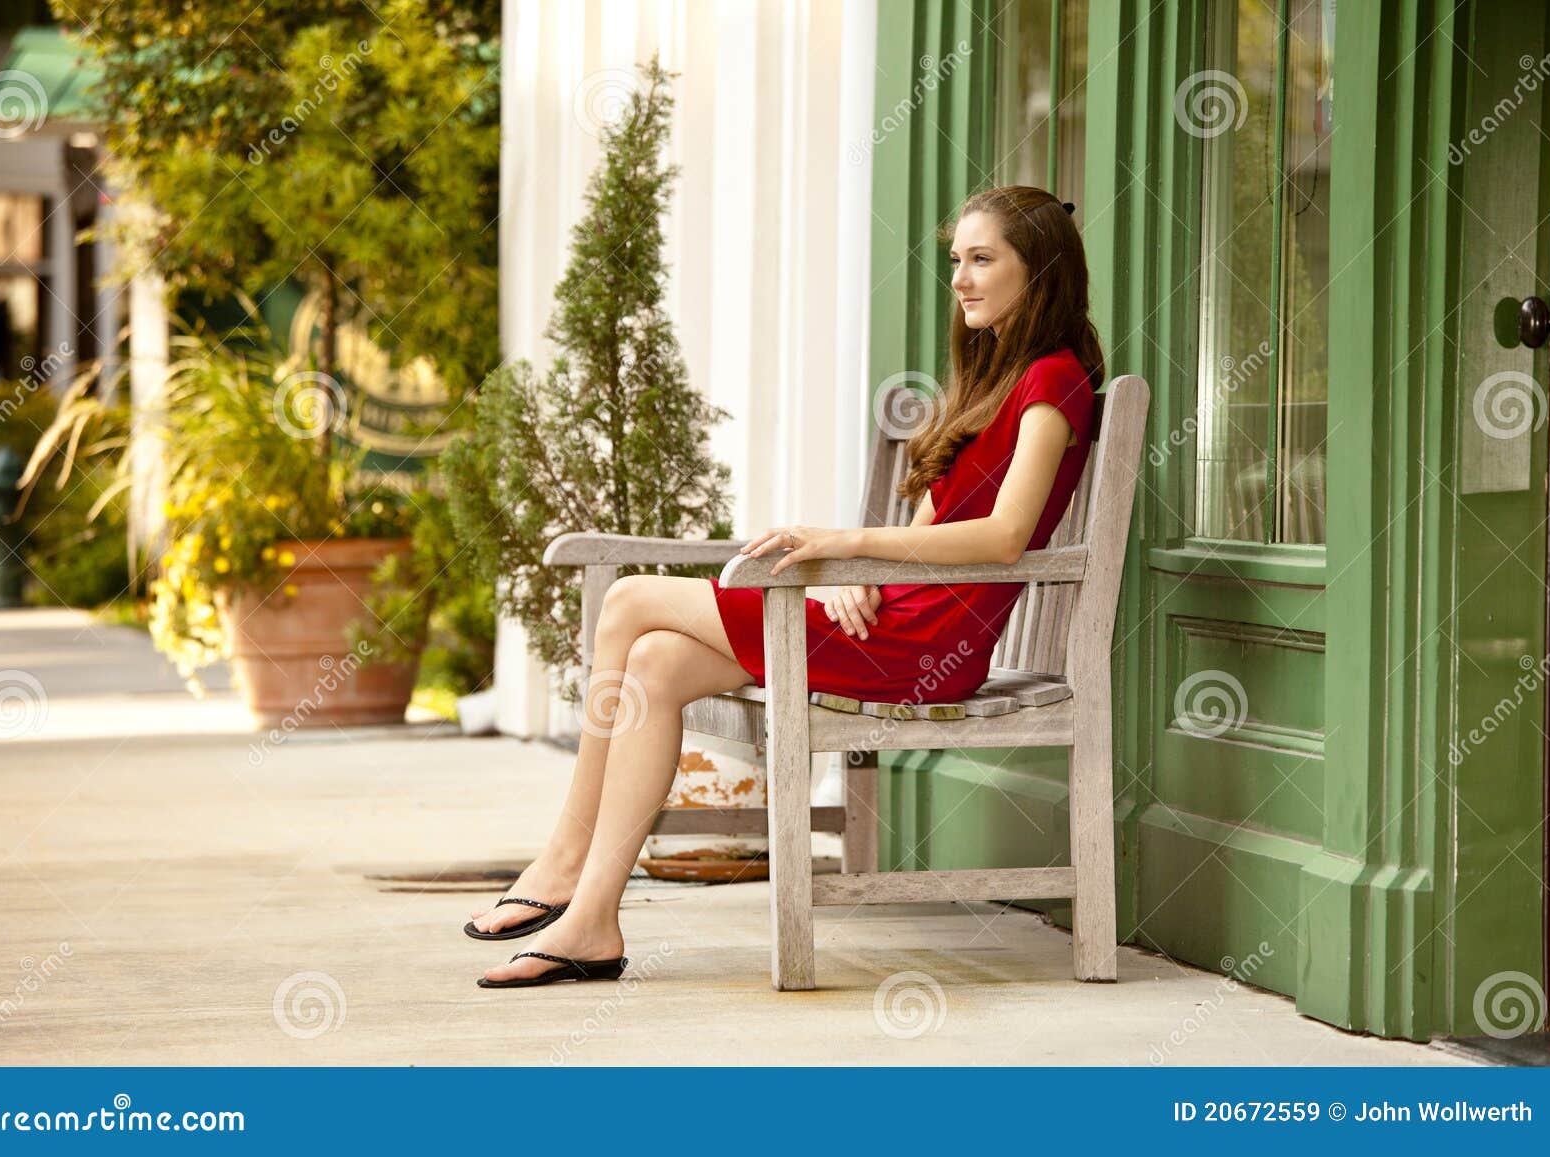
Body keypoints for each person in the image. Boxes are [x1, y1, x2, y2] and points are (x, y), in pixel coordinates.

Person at [471, 185, 1105, 988]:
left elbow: (1004, 536)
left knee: (631, 600)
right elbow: (928, 527)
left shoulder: (1054, 382)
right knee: (657, 661)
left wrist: (843, 543)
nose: (961, 278)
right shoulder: (986, 381)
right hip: (887, 620)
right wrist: (850, 580)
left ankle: (564, 857)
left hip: (926, 651)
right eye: (956, 260)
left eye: (983, 260)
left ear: (1038, 269)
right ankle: (592, 918)